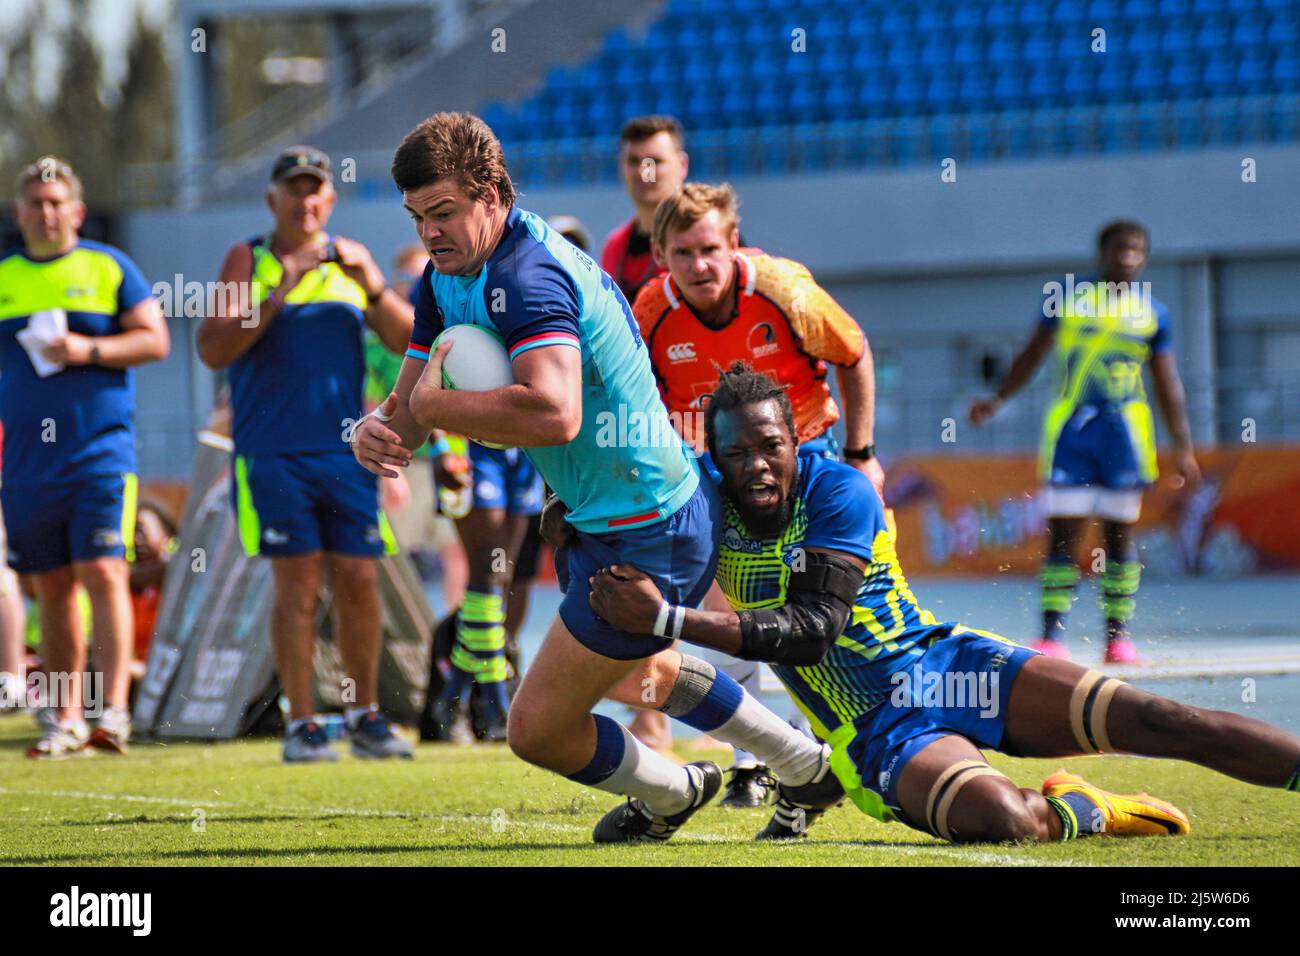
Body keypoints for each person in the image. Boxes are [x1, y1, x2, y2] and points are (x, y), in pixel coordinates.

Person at [352, 112, 832, 842]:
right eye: (418, 217)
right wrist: (381, 430)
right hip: (611, 513)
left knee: (537, 728)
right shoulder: (448, 275)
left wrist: (432, 406)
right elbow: (410, 410)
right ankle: (801, 763)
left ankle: (676, 790)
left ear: (491, 193)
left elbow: (554, 414)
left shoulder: (528, 273)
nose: (430, 233)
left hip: (648, 520)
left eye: (444, 212)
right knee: (641, 674)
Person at [589, 364, 1300, 844]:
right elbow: (617, 490)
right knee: (1004, 818)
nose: (756, 465)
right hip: (873, 730)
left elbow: (810, 631)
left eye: (770, 445)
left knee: (1163, 717)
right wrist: (571, 507)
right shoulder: (702, 498)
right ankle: (1086, 806)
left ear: (795, 440)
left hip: (948, 663)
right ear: (713, 456)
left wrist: (664, 621)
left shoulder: (837, 490)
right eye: (736, 454)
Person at [632, 181, 885, 806]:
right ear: (661, 256)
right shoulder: (649, 312)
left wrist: (861, 455)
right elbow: (634, 395)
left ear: (733, 243)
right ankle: (755, 759)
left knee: (828, 614)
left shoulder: (785, 290)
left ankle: (858, 738)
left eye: (710, 249)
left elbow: (853, 354)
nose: (700, 265)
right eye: (684, 253)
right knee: (728, 602)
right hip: (714, 471)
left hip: (812, 460)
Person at [197, 145, 415, 762]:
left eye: (316, 188)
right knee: (297, 586)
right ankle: (303, 722)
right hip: (272, 454)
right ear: (274, 199)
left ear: (331, 198)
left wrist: (373, 286)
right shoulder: (249, 258)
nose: (306, 199)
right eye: (294, 188)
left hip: (346, 454)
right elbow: (213, 347)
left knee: (358, 580)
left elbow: (405, 339)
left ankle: (366, 715)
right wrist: (281, 291)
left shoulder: (351, 261)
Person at [969, 221, 1201, 664]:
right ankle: (1051, 636)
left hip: (1127, 438)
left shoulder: (1153, 313)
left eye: (1136, 250)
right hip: (1071, 435)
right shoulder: (1068, 300)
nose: (1127, 257)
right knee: (1064, 535)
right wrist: (996, 399)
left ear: (1145, 257)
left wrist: (1184, 446)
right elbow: (1032, 354)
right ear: (1102, 253)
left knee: (1119, 537)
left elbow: (1167, 381)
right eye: (1119, 249)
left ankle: (1117, 639)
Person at [0, 157, 170, 757]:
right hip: (26, 465)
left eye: (56, 202)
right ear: (19, 214)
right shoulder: (6, 277)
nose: (46, 213)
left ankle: (114, 712)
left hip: (100, 455)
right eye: (34, 203)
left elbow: (155, 339)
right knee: (51, 588)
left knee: (104, 572)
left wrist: (85, 347)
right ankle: (64, 718)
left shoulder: (109, 267)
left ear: (75, 211)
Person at [366, 243, 468, 609]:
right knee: (398, 559)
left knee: (458, 551)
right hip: (406, 463)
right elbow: (373, 405)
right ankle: (410, 641)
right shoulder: (383, 342)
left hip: (451, 461)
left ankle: (455, 633)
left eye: (425, 275)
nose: (416, 285)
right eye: (408, 276)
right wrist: (386, 468)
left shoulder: (458, 329)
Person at [601, 116, 690, 303]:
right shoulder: (614, 247)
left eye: (655, 161)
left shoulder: (709, 237)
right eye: (634, 161)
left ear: (682, 165)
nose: (644, 173)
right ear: (621, 167)